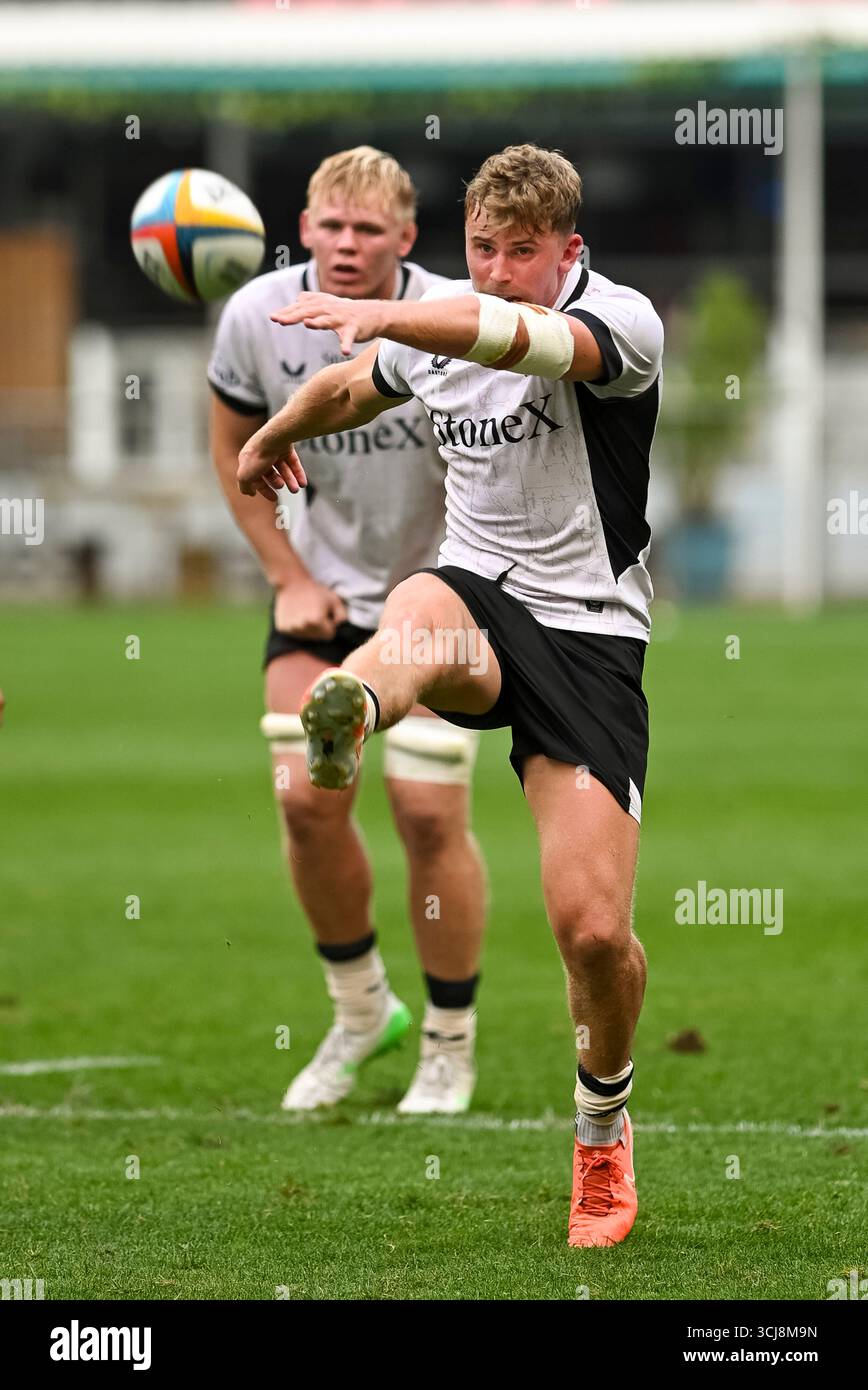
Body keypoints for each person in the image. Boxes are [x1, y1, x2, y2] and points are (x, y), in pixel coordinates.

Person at [235, 143, 664, 1248]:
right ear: (462, 243)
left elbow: (512, 340)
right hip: (473, 599)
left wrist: (391, 321)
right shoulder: (441, 323)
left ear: (569, 250)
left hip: (588, 636)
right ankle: (354, 709)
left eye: (523, 251)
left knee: (593, 932)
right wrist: (279, 431)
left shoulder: (617, 320)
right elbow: (351, 383)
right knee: (421, 601)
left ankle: (602, 1140)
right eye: (482, 249)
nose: (500, 269)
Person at [208, 147, 487, 1115]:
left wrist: (464, 586)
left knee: (424, 811)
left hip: (439, 603)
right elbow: (230, 450)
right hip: (319, 603)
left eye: (368, 230)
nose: (345, 243)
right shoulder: (254, 318)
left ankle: (448, 1044)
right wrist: (287, 576)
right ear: (305, 223)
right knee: (303, 799)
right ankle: (363, 1011)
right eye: (330, 224)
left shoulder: (447, 318)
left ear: (405, 241)